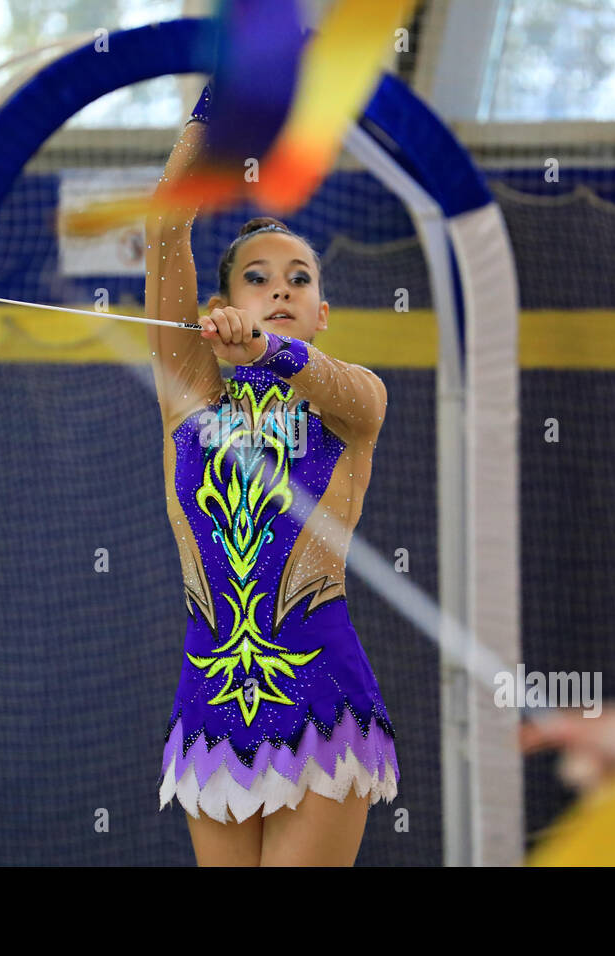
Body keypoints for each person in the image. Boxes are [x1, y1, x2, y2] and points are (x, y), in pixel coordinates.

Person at [147, 86, 399, 866]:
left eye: (299, 278)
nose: (281, 289)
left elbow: (338, 388)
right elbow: (164, 226)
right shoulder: (189, 394)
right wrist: (212, 110)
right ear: (222, 304)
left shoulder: (352, 401)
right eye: (258, 278)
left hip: (321, 698)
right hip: (209, 701)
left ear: (322, 309)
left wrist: (270, 352)